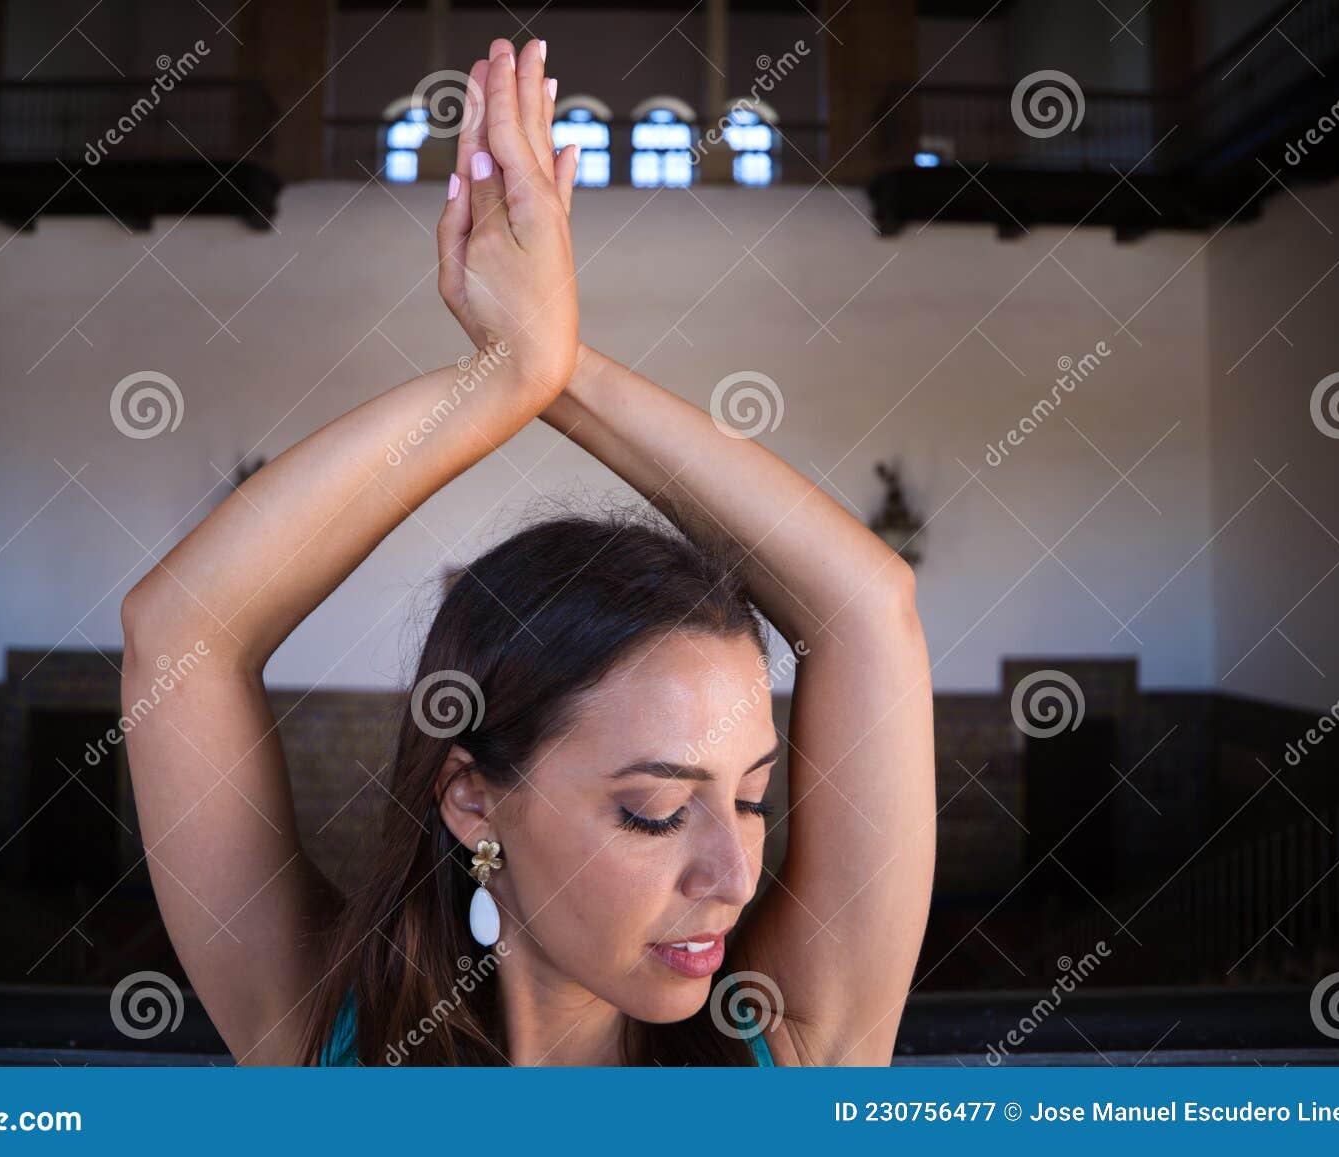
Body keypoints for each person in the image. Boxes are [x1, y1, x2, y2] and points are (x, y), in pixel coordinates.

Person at [119, 37, 935, 1067]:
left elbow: (867, 603)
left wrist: (550, 362)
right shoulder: (323, 1031)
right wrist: (507, 376)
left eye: (749, 799)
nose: (732, 875)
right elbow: (178, 635)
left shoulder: (792, 1041)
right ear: (473, 799)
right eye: (654, 812)